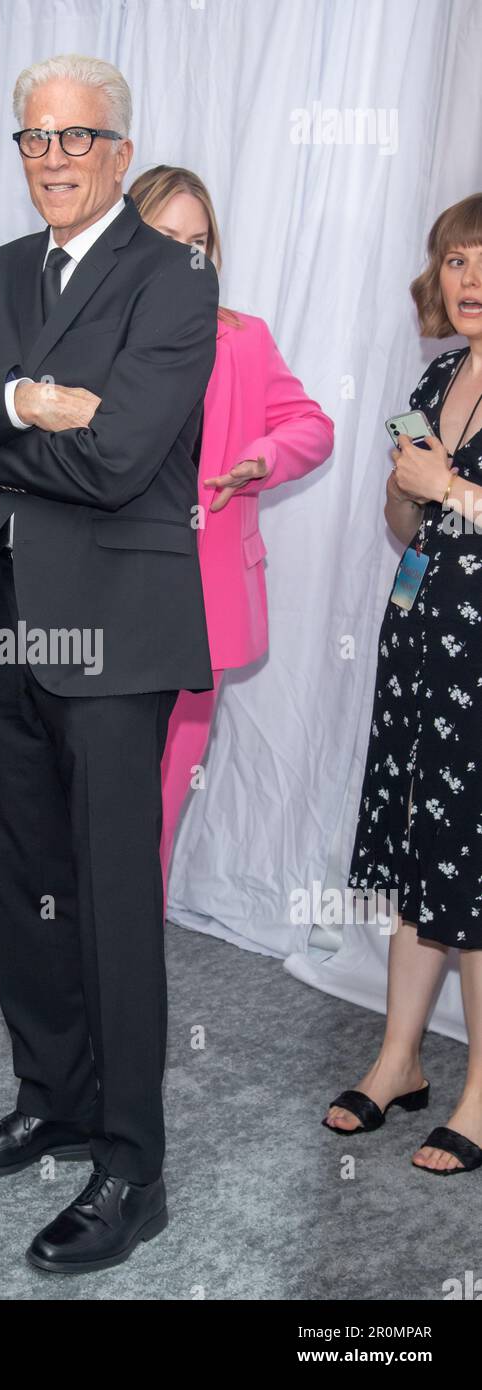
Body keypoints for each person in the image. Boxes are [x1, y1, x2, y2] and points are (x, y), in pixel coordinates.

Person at [0, 55, 217, 1273]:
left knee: (111, 896)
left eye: (74, 139)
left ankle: (131, 1165)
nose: (50, 158)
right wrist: (37, 400)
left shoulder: (171, 275)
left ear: (118, 152)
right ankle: (55, 1099)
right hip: (2, 620)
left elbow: (124, 455)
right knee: (22, 881)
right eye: (31, 138)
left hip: (114, 631)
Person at [324, 193, 482, 1177]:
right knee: (423, 855)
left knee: (474, 870)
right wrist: (404, 486)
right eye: (455, 260)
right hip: (422, 648)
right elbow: (405, 528)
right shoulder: (435, 375)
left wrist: (452, 490)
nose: (468, 278)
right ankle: (397, 1060)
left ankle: (480, 1091)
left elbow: (452, 507)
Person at [126, 166, 333, 891]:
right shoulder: (90, 338)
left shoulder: (243, 339)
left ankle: (134, 930)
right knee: (97, 772)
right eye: (165, 237)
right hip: (109, 588)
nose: (186, 256)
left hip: (202, 594)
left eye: (199, 241)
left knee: (171, 775)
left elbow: (312, 425)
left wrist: (262, 456)